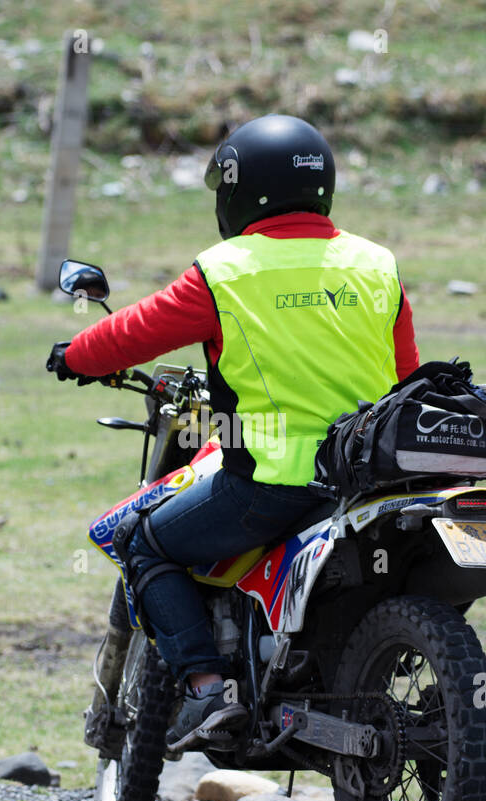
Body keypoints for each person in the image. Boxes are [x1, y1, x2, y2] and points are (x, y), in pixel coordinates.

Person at [47, 114, 419, 751]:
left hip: (273, 483)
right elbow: (406, 374)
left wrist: (77, 355)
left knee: (145, 544)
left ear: (241, 191)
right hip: (368, 481)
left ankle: (206, 686)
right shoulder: (376, 263)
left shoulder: (227, 270)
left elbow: (137, 329)